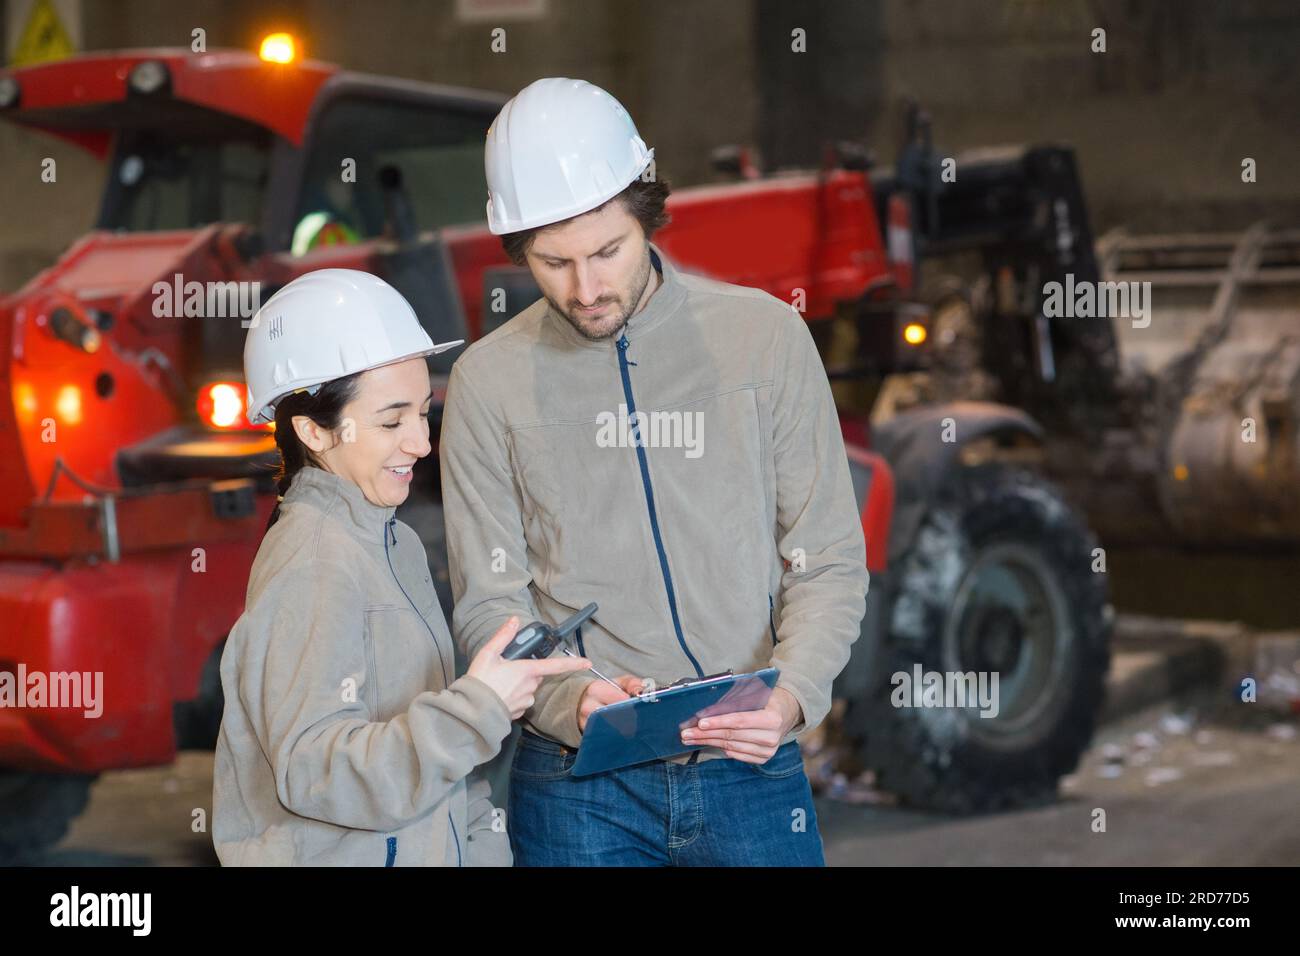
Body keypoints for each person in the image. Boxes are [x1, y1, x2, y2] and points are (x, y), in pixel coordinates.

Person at [440, 79, 870, 866]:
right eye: (554, 262)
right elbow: (489, 605)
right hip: (577, 782)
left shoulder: (763, 342)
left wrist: (792, 693)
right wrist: (570, 702)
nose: (587, 288)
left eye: (608, 250)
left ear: (647, 214)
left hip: (750, 762)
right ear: (517, 251)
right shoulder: (487, 383)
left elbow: (830, 559)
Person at [212, 268, 589, 866]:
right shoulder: (314, 562)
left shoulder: (395, 543)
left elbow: (444, 777)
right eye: (392, 421)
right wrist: (479, 705)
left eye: (421, 412)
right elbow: (317, 773)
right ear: (314, 429)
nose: (420, 442)